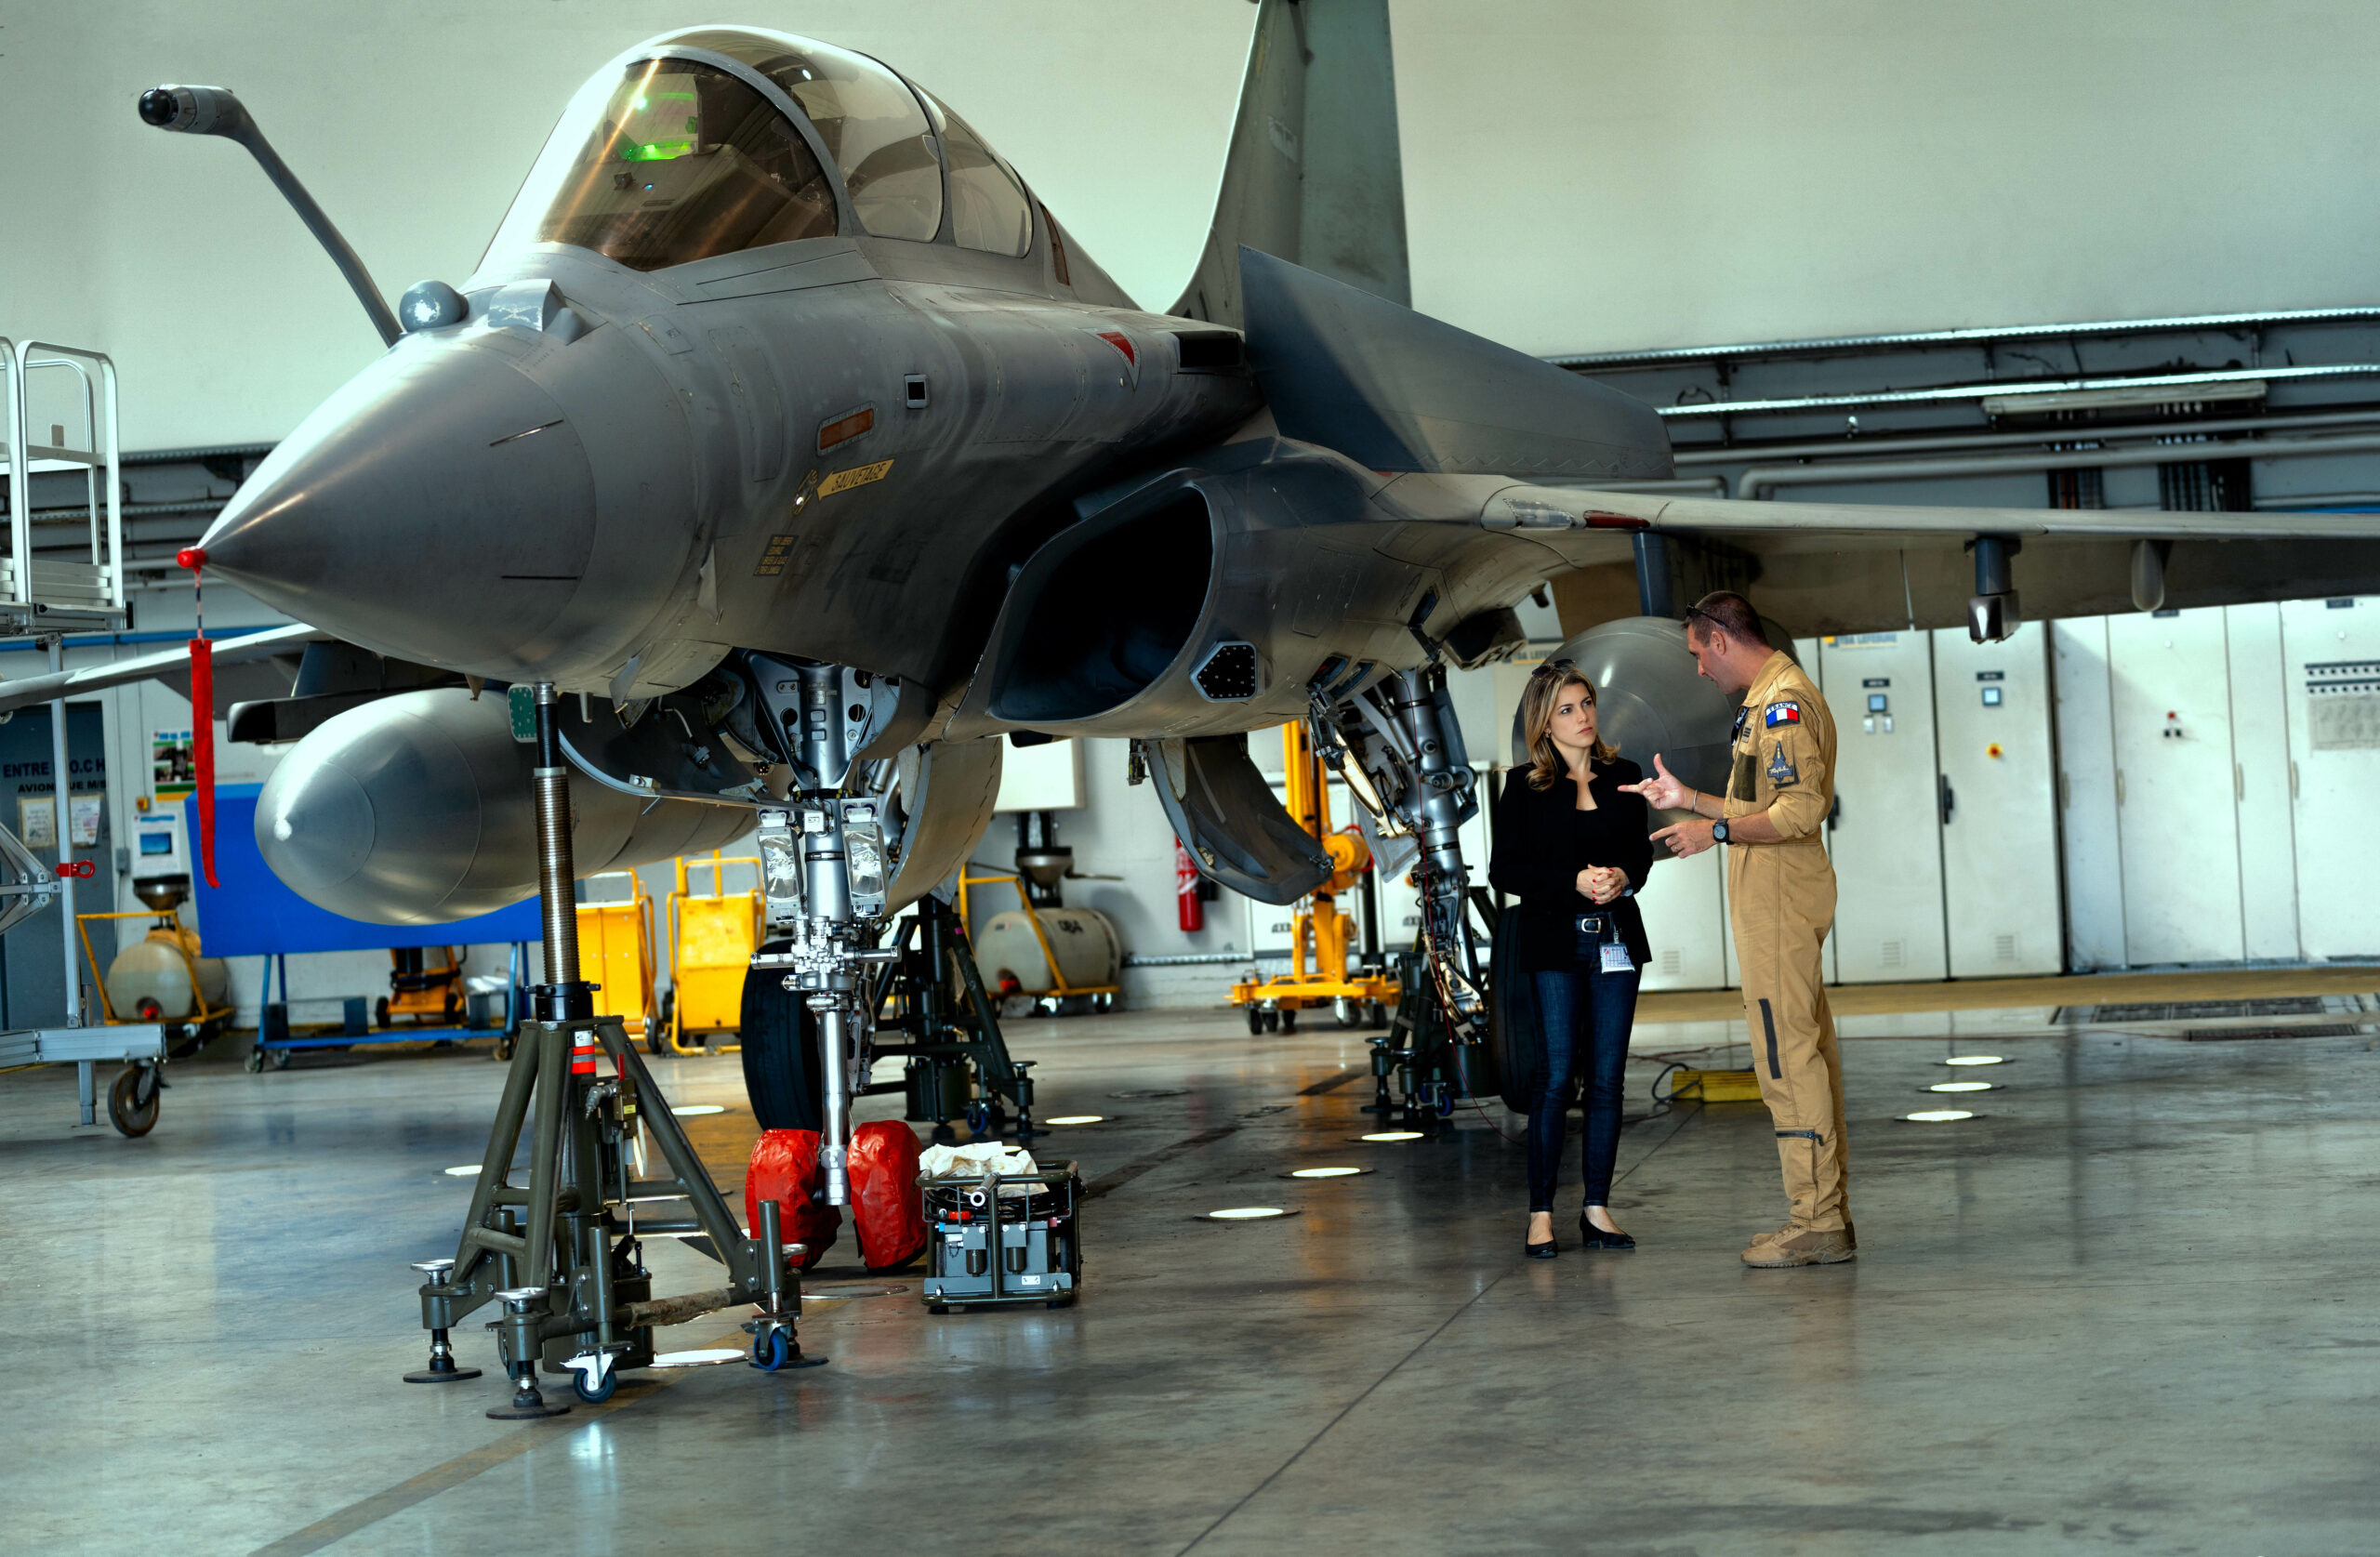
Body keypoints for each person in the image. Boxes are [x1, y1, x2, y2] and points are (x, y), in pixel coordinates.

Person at [1621, 591, 1853, 1268]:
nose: (1697, 669)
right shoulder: (1767, 701)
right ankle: (1826, 1212)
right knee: (1803, 1052)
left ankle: (1814, 1219)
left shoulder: (1783, 706)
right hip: (1774, 897)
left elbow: (1798, 812)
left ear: (1720, 639)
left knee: (1787, 1058)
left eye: (1697, 653)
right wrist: (1689, 800)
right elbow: (1762, 803)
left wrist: (1713, 829)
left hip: (1779, 900)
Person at [1488, 660, 1653, 1259]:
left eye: (1586, 704)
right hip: (1555, 943)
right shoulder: (1524, 786)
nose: (1583, 717)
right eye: (1567, 709)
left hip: (1617, 941)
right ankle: (1540, 1214)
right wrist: (1574, 883)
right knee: (1556, 1078)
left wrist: (1622, 878)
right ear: (1544, 721)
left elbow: (1641, 854)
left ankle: (1597, 1209)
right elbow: (1504, 871)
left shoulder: (1625, 775)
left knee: (1608, 1079)